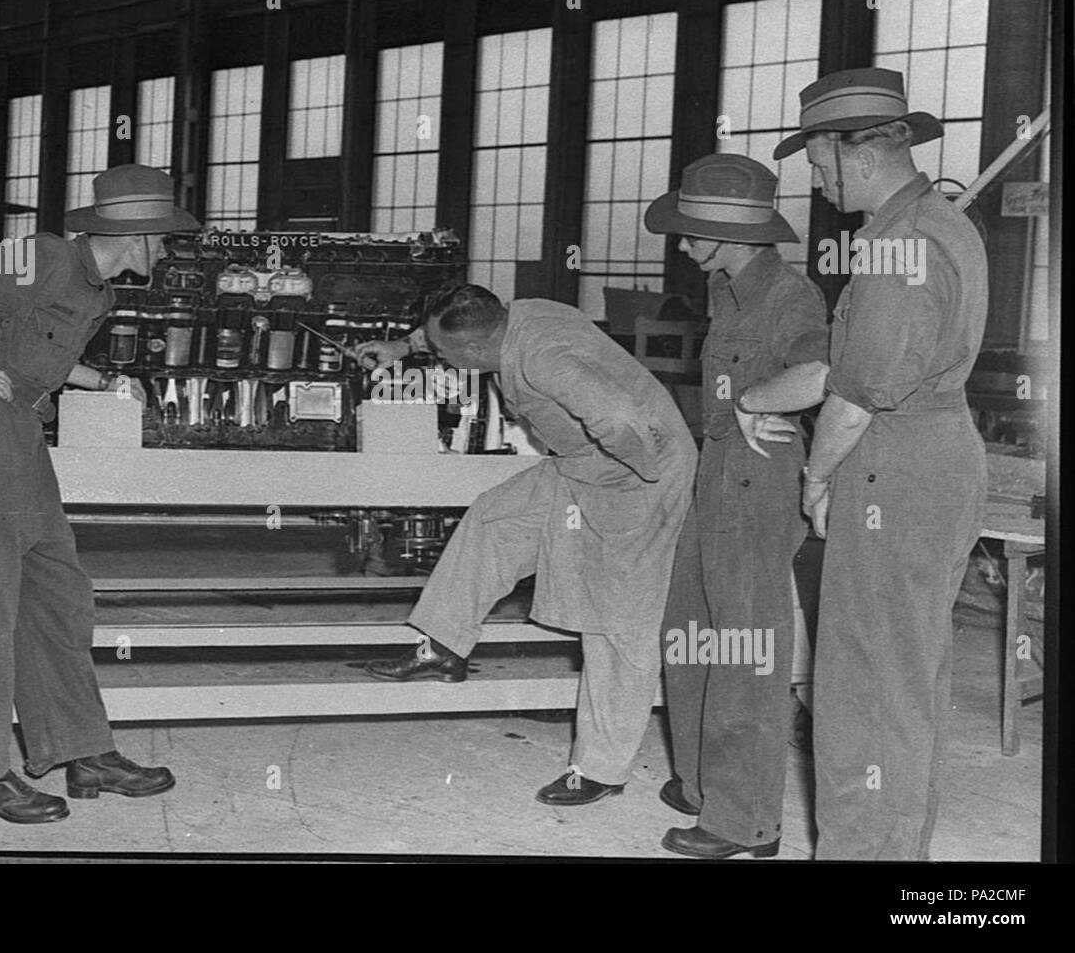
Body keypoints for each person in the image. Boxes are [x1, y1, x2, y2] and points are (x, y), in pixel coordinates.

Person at [739, 68, 988, 859]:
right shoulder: (929, 226)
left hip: (894, 468)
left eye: (817, 163)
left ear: (858, 153)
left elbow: (856, 394)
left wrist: (817, 477)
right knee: (904, 676)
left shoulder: (900, 246)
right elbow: (838, 368)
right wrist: (753, 400)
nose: (815, 180)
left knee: (863, 685)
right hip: (930, 458)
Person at [0, 164, 194, 823]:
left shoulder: (95, 291)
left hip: (23, 435)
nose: (167, 251)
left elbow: (39, 352)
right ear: (139, 234)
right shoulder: (42, 255)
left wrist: (105, 382)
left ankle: (84, 751)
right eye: (164, 239)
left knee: (58, 593)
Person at [356, 287, 697, 805]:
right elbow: (445, 330)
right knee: (494, 518)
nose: (440, 358)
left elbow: (623, 421)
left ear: (474, 351)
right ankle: (443, 646)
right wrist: (405, 348)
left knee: (616, 623)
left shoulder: (544, 359)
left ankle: (602, 769)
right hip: (582, 462)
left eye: (445, 355)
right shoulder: (516, 317)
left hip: (640, 474)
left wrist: (643, 482)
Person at [643, 154, 828, 859]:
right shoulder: (727, 287)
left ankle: (745, 819)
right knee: (688, 621)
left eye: (692, 232)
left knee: (746, 643)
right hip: (717, 468)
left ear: (731, 232)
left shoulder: (790, 294)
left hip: (759, 480)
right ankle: (700, 780)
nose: (683, 245)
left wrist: (754, 400)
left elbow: (820, 370)